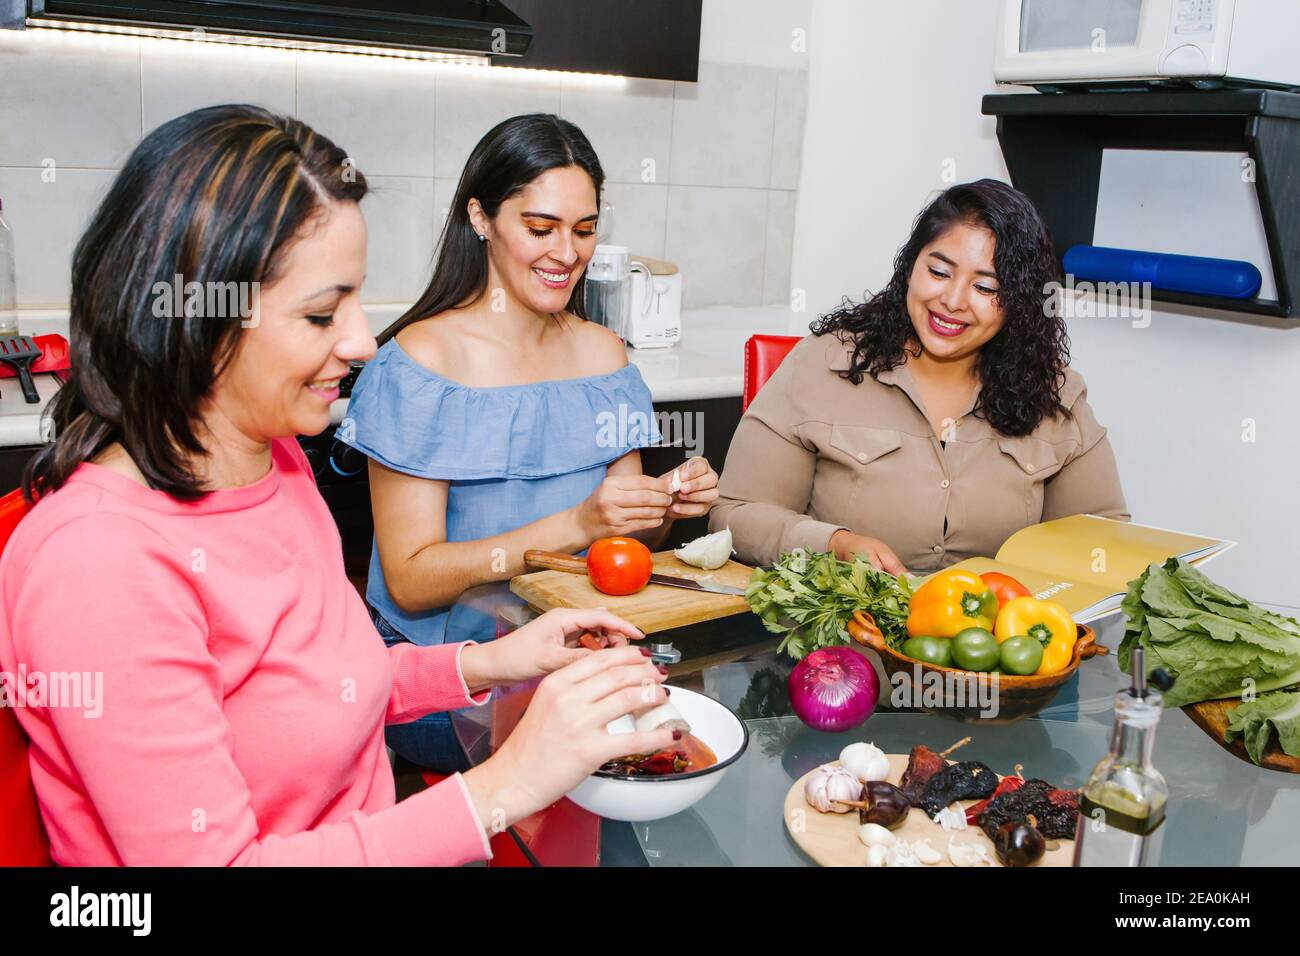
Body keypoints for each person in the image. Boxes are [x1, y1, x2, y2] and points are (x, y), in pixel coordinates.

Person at [0, 105, 675, 866]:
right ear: (198, 317)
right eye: (322, 314)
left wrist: (495, 659)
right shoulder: (98, 565)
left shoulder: (275, 461)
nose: (359, 343)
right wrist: (502, 786)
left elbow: (334, 682)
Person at [340, 114, 718, 770]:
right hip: (454, 676)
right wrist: (577, 521)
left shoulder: (602, 356)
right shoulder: (418, 366)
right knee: (624, 745)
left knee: (684, 724)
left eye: (585, 230)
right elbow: (411, 581)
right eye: (540, 229)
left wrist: (658, 509)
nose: (566, 253)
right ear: (480, 218)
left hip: (576, 649)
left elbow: (619, 550)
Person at [710, 179, 1128, 574]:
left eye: (985, 288)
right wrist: (834, 543)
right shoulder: (822, 364)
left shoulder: (1055, 395)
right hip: (841, 644)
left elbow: (1100, 544)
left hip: (990, 642)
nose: (951, 300)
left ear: (1018, 302)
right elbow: (734, 517)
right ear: (910, 267)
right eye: (939, 272)